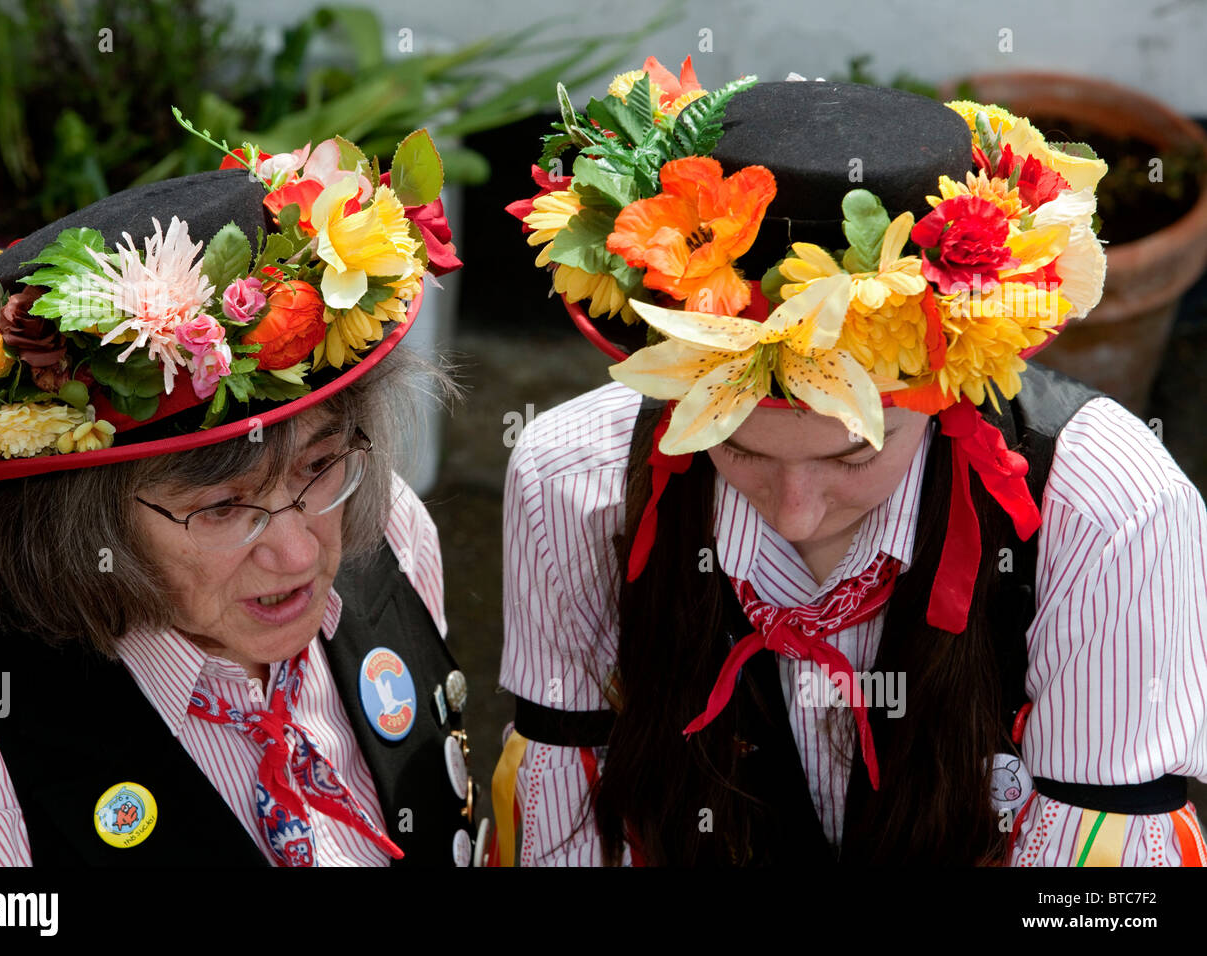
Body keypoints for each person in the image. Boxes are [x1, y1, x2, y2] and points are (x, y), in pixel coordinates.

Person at [492, 59, 1207, 866]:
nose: (795, 512)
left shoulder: (1111, 512)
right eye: (736, 447)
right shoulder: (574, 478)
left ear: (949, 388)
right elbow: (562, 833)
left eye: (853, 454)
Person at [0, 125, 485, 866]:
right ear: (88, 529)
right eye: (222, 508)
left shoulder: (392, 529)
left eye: (317, 466)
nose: (299, 553)